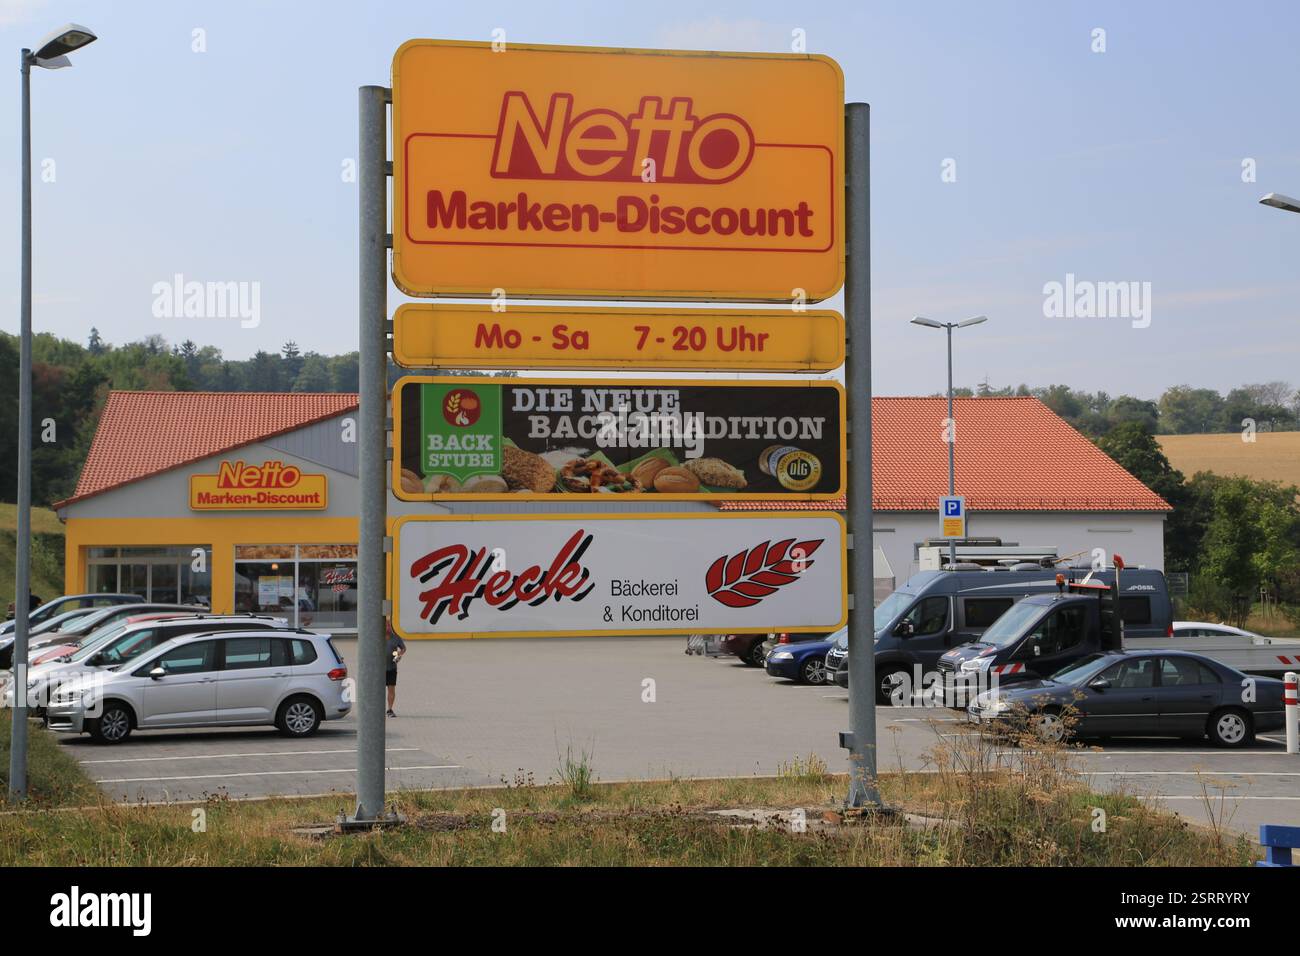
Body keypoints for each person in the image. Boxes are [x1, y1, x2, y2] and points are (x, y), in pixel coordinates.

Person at [385, 623, 406, 717]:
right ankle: (376, 709)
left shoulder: (396, 637)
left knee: (391, 689)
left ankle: (389, 710)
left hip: (392, 668)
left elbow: (403, 648)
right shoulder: (376, 636)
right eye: (386, 625)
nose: (388, 627)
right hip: (378, 670)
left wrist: (399, 654)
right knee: (378, 691)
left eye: (389, 626)